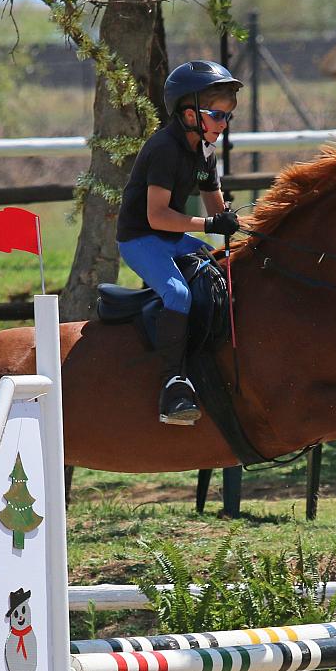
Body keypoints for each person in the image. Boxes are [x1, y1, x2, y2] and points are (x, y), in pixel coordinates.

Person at [116, 59, 243, 425]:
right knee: (178, 295)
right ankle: (173, 381)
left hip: (171, 237)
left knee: (219, 266)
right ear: (190, 114)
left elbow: (217, 210)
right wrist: (208, 223)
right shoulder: (165, 149)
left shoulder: (203, 150)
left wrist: (240, 224)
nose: (224, 125)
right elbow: (156, 216)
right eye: (218, 116)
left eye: (227, 117)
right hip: (141, 239)